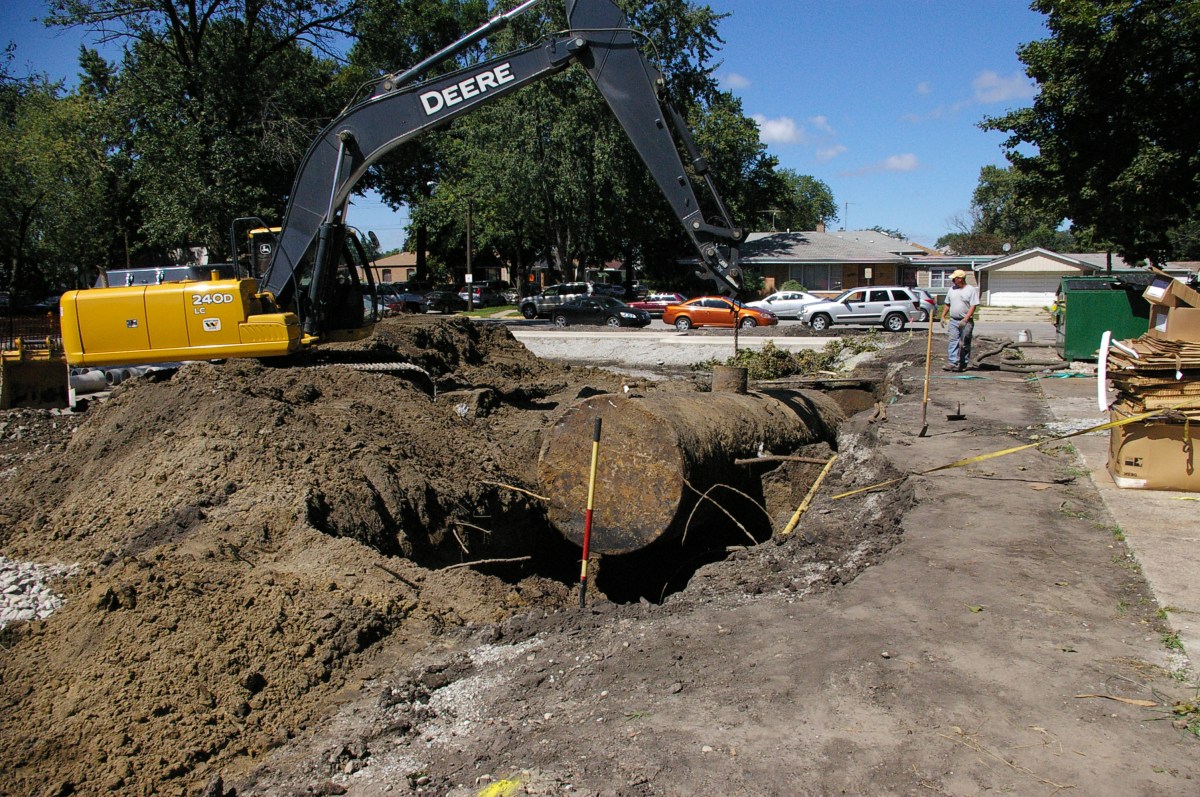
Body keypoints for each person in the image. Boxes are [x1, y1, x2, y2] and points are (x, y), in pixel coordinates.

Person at [941, 269, 979, 371]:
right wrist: (943, 316)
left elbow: (973, 306)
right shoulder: (951, 290)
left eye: (954, 278)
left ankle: (963, 363)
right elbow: (947, 304)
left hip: (966, 321)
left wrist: (965, 319)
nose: (953, 280)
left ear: (960, 279)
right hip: (954, 320)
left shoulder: (970, 290)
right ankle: (952, 362)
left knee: (965, 342)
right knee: (953, 341)